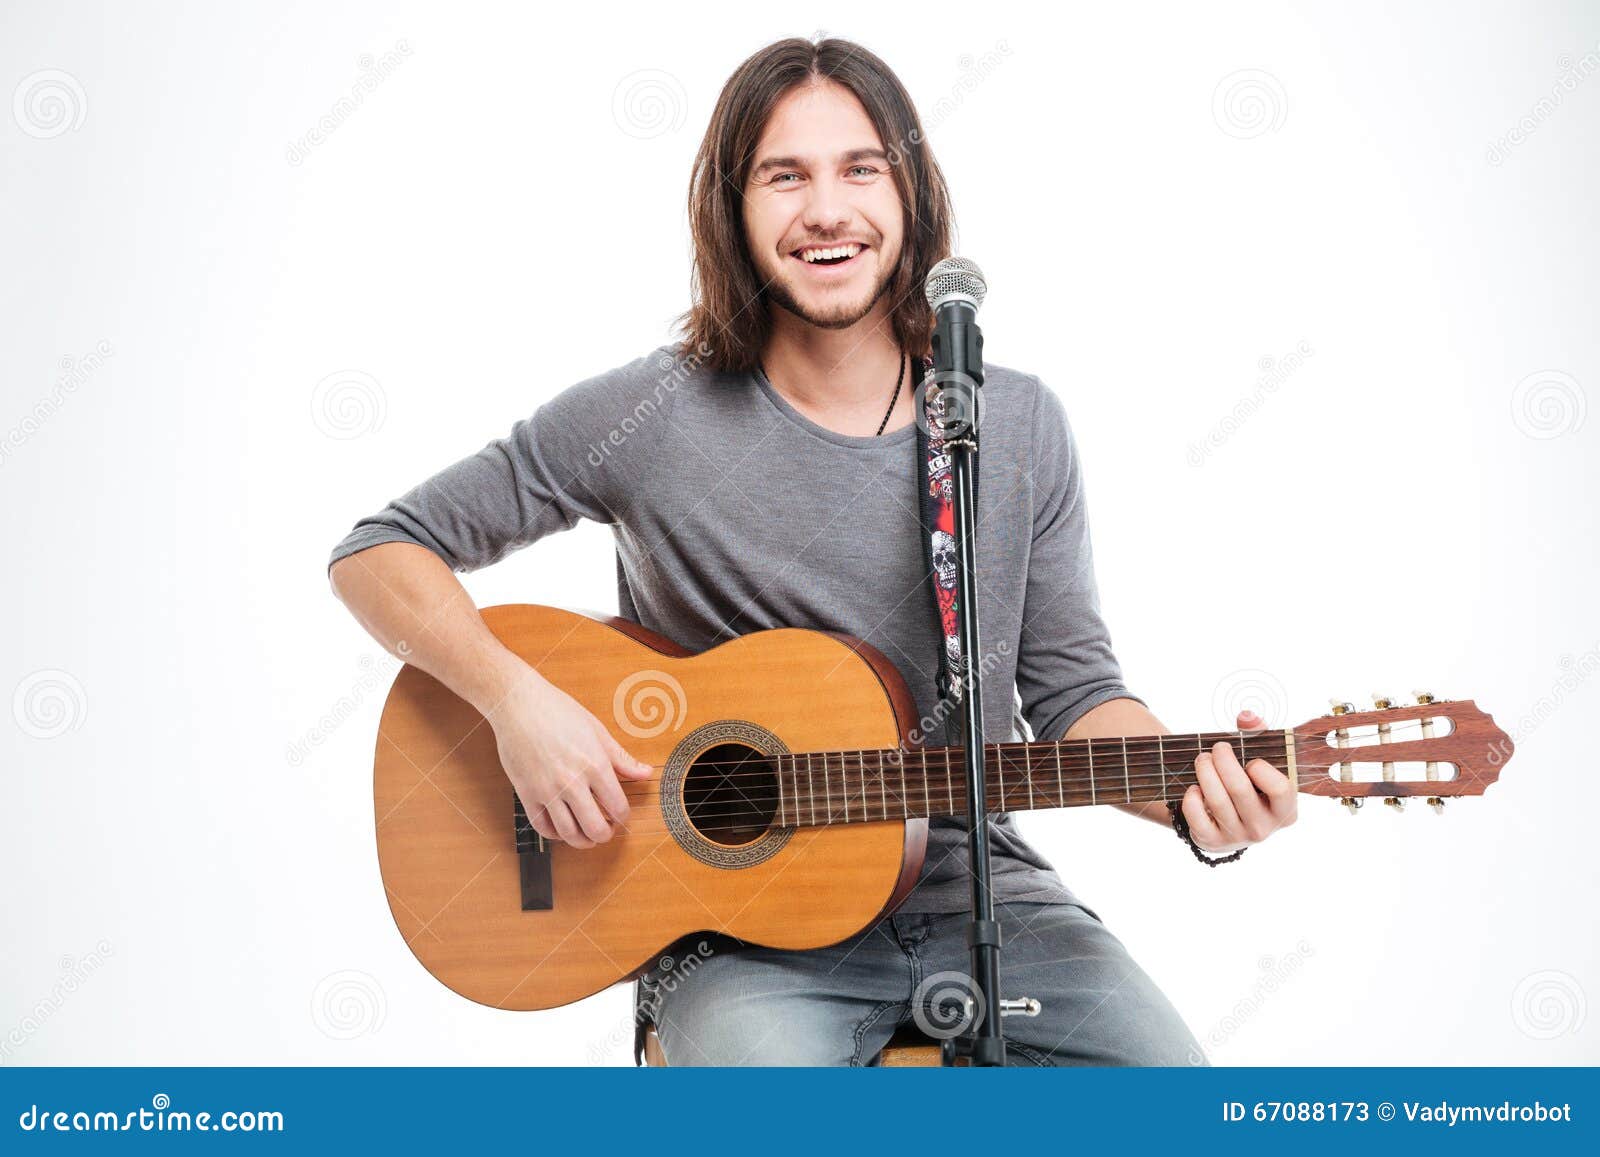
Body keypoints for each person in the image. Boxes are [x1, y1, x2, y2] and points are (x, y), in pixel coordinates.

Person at [326, 35, 1296, 1066]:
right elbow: (378, 550)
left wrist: (1203, 800)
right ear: (732, 211)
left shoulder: (1009, 426)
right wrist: (517, 703)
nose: (826, 208)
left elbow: (1072, 696)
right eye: (784, 176)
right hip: (735, 939)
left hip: (984, 892)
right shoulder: (651, 414)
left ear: (911, 196)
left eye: (859, 169)